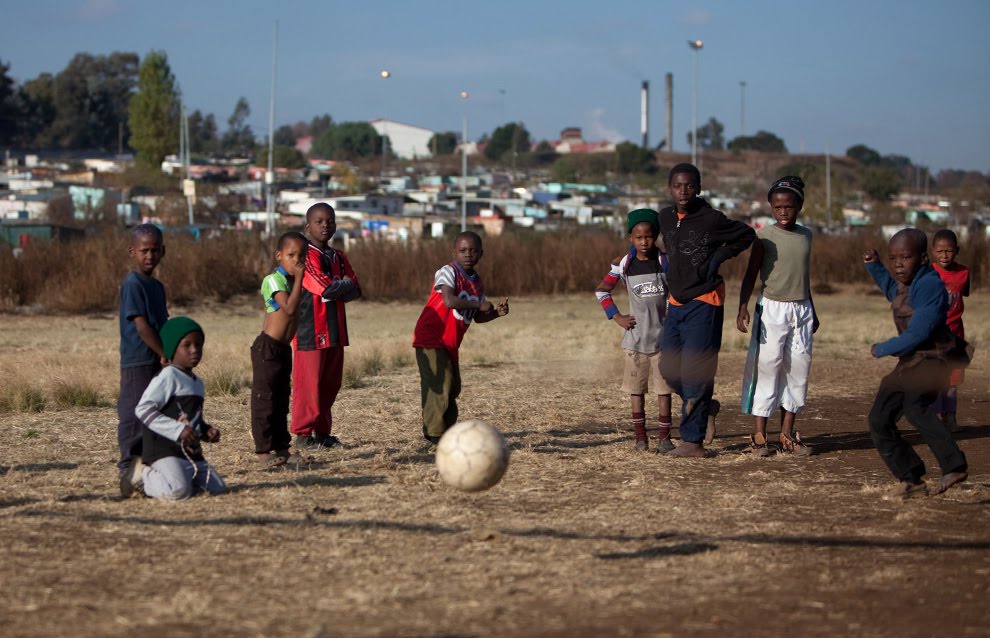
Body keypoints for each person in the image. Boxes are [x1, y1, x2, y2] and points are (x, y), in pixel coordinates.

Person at [863, 229, 970, 500]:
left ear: (923, 258)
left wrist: (884, 348)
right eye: (893, 258)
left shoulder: (931, 285)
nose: (898, 264)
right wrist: (874, 266)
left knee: (915, 407)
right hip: (913, 361)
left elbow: (919, 333)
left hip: (936, 359)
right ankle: (911, 479)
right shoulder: (907, 283)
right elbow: (892, 291)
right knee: (879, 418)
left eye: (905, 257)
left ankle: (954, 466)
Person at [658, 163, 755, 457]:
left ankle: (692, 441)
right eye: (677, 186)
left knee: (695, 373)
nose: (683, 191)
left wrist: (719, 257)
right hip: (676, 304)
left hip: (705, 300)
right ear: (670, 188)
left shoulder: (711, 219)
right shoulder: (664, 217)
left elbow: (746, 234)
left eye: (689, 185)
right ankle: (706, 407)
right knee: (668, 369)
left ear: (698, 188)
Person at [737, 177, 819, 457]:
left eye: (789, 206)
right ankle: (760, 435)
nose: (783, 211)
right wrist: (742, 307)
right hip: (771, 308)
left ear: (799, 206)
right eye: (777, 207)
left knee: (798, 369)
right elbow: (751, 274)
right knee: (768, 367)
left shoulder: (806, 235)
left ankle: (787, 435)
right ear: (771, 208)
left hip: (802, 308)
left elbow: (803, 277)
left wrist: (813, 310)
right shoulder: (763, 237)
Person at [413, 231, 509, 444]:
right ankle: (435, 434)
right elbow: (448, 300)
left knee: (453, 386)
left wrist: (495, 313)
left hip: (450, 343)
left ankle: (448, 430)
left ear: (481, 254)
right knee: (440, 384)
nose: (468, 255)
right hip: (431, 337)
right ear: (454, 252)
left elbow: (477, 318)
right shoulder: (448, 272)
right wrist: (478, 304)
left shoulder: (477, 282)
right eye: (463, 250)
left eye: (473, 251)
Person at [595, 208, 674, 452]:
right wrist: (616, 316)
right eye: (638, 237)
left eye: (649, 236)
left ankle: (664, 437)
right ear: (630, 237)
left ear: (656, 236)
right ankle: (640, 438)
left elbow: (676, 293)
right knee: (636, 391)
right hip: (635, 342)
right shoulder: (624, 265)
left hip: (663, 341)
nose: (644, 242)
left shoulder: (665, 262)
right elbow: (601, 291)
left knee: (664, 391)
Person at [130, 317, 226, 500]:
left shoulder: (197, 383)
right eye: (187, 345)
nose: (194, 350)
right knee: (178, 492)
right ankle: (144, 476)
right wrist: (178, 430)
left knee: (217, 489)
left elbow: (190, 417)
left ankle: (182, 479)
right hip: (164, 450)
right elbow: (143, 409)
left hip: (190, 453)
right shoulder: (168, 376)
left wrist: (206, 431)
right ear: (172, 349)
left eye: (199, 345)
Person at [291, 203, 361, 451]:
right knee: (308, 384)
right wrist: (340, 284)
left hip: (336, 329)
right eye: (319, 222)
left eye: (329, 221)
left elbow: (356, 289)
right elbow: (326, 288)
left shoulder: (339, 256)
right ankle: (302, 434)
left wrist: (339, 286)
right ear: (307, 226)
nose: (325, 226)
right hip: (311, 329)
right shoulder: (305, 255)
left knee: (330, 384)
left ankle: (322, 433)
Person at [250, 231, 313, 469]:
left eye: (302, 255)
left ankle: (282, 449)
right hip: (268, 348)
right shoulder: (273, 280)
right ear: (279, 256)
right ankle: (263, 451)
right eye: (291, 255)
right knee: (264, 401)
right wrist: (299, 279)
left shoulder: (292, 281)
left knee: (280, 400)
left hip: (284, 348)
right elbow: (287, 308)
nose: (297, 260)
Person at [117, 224, 169, 497]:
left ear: (163, 250)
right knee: (133, 415)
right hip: (138, 360)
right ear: (132, 252)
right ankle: (128, 470)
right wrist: (163, 352)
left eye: (155, 250)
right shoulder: (133, 284)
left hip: (157, 361)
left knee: (154, 413)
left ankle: (147, 468)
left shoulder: (156, 286)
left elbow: (163, 323)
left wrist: (171, 351)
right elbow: (142, 326)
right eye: (144, 250)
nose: (150, 255)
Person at [930, 229, 970, 433]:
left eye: (949, 251)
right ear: (932, 251)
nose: (944, 255)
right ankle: (934, 419)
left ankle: (950, 418)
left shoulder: (964, 273)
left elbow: (964, 294)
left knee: (953, 380)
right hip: (934, 335)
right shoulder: (929, 273)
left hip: (956, 335)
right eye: (940, 251)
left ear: (957, 251)